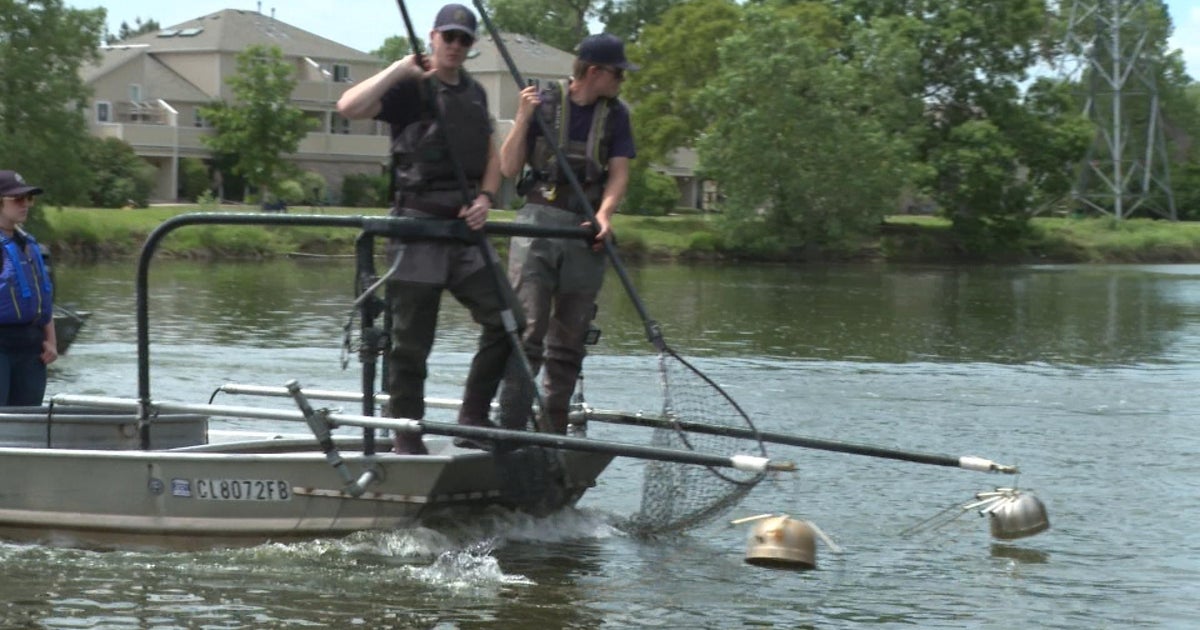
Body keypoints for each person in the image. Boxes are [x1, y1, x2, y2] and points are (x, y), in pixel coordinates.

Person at [336, 4, 509, 454]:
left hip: (463, 234)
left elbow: (493, 160)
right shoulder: (410, 89)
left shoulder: (474, 94)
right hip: (415, 231)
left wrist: (486, 200)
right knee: (411, 344)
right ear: (433, 38)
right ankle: (407, 433)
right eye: (448, 37)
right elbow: (348, 107)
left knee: (509, 322)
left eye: (463, 40)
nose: (454, 45)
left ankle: (473, 415)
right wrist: (400, 67)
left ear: (471, 47)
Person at [497, 33, 638, 433]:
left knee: (570, 335)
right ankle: (510, 422)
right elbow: (508, 169)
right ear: (595, 71)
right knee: (529, 328)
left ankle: (554, 427)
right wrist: (523, 118)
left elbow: (619, 173)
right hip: (536, 227)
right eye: (618, 74)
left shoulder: (618, 115)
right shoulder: (541, 105)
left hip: (583, 232)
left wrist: (605, 215)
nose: (621, 82)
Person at [0, 170, 57, 407]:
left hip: (32, 350)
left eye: (29, 199)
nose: (26, 205)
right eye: (18, 199)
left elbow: (44, 301)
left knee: (28, 420)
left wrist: (51, 341)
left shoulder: (31, 246)